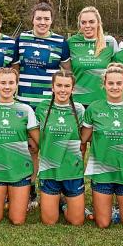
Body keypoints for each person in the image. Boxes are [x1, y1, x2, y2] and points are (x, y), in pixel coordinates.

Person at [81, 63, 123, 229]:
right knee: (103, 223)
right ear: (104, 85)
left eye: (119, 83)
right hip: (102, 172)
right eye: (110, 83)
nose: (115, 87)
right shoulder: (94, 108)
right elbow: (83, 139)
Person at [0, 67, 39, 226]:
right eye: (3, 83)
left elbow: (38, 141)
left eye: (11, 83)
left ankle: (9, 201)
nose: (7, 87)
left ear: (16, 85)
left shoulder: (25, 109)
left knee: (18, 220)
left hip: (18, 171)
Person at [37, 69, 86, 226]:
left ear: (73, 88)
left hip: (72, 171)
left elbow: (82, 141)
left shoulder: (79, 110)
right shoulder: (42, 108)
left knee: (77, 221)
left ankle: (65, 203)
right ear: (52, 87)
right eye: (59, 85)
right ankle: (55, 200)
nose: (63, 90)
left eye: (67, 86)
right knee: (50, 221)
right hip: (49, 171)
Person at [15, 0, 71, 108]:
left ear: (51, 20)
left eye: (46, 19)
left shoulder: (60, 42)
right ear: (33, 20)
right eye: (38, 18)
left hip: (49, 103)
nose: (42, 22)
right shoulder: (21, 39)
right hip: (24, 102)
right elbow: (15, 69)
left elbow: (68, 71)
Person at [67, 6, 120, 106]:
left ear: (98, 23)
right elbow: (66, 70)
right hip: (77, 102)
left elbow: (117, 72)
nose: (87, 25)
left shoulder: (110, 42)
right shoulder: (71, 42)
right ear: (79, 25)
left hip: (103, 102)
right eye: (83, 22)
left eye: (91, 22)